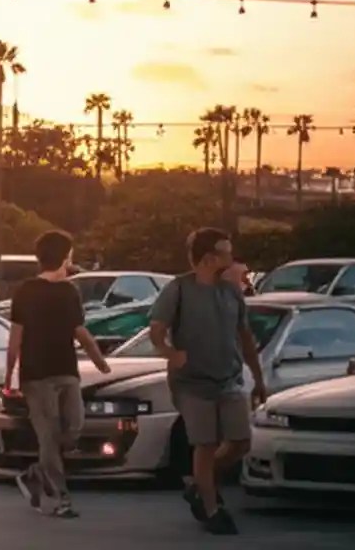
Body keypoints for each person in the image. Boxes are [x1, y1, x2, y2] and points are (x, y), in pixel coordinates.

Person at [149, 228, 265, 536]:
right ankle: (212, 510)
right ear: (208, 258)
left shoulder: (231, 292)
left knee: (240, 441)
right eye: (226, 251)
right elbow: (156, 330)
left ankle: (201, 484)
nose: (231, 256)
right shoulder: (179, 289)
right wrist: (170, 353)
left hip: (229, 379)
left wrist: (259, 377)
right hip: (192, 383)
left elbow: (245, 336)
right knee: (205, 443)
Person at [5, 230, 111, 518]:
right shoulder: (26, 291)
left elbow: (79, 330)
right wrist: (9, 378)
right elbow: (16, 337)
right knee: (49, 438)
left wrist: (99, 360)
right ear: (65, 257)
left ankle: (34, 475)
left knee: (74, 428)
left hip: (67, 371)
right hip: (36, 377)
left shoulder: (68, 291)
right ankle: (60, 499)